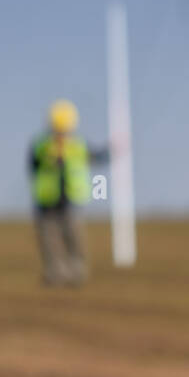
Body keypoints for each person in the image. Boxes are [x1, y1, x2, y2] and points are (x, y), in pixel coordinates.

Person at [28, 99, 109, 286]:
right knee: (50, 240)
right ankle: (55, 274)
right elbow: (34, 166)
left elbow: (95, 156)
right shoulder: (42, 146)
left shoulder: (78, 144)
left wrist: (111, 151)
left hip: (71, 199)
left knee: (74, 237)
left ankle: (77, 273)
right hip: (47, 199)